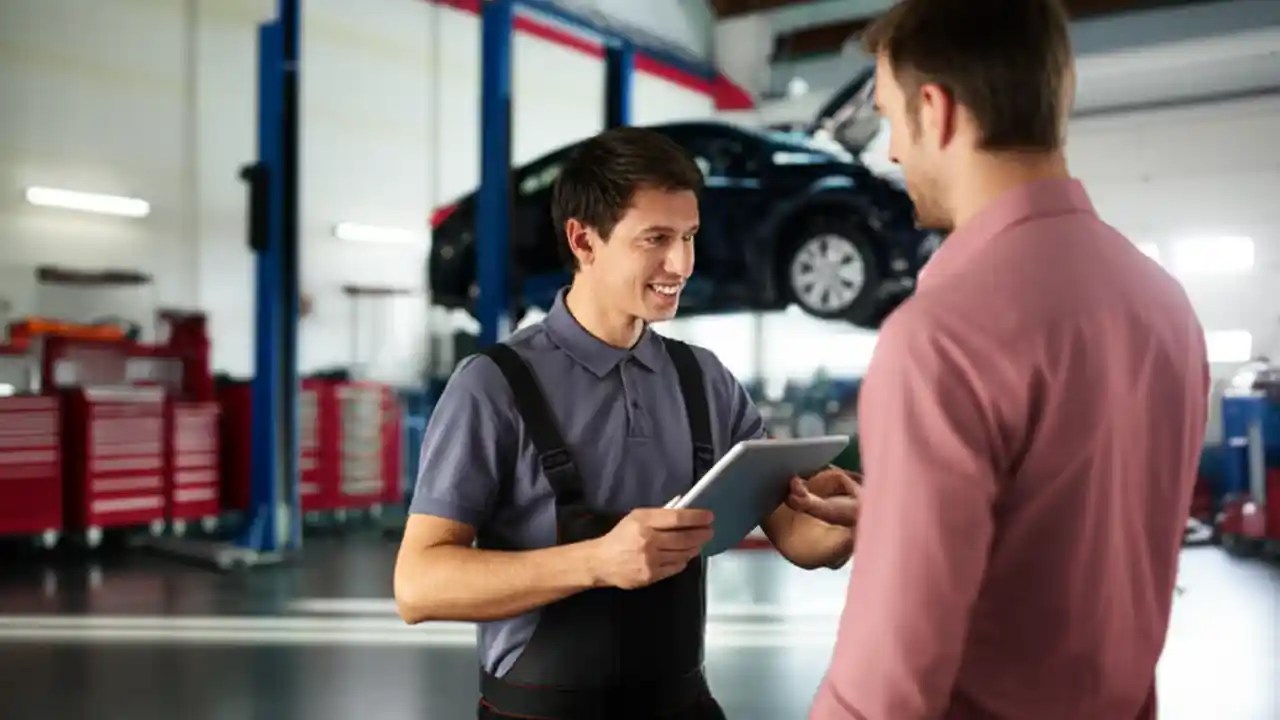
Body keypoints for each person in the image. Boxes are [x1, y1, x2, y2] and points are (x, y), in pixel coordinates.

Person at [809, 1, 1211, 718]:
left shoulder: (941, 336)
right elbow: (1081, 538)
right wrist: (898, 515)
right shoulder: (1161, 302)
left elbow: (886, 690)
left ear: (935, 111)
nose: (892, 150)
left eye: (890, 116)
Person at [394, 126, 863, 720]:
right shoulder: (493, 385)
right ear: (583, 241)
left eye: (689, 236)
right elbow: (418, 586)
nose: (682, 263)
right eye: (656, 238)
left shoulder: (705, 381)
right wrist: (597, 561)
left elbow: (802, 539)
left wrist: (856, 518)